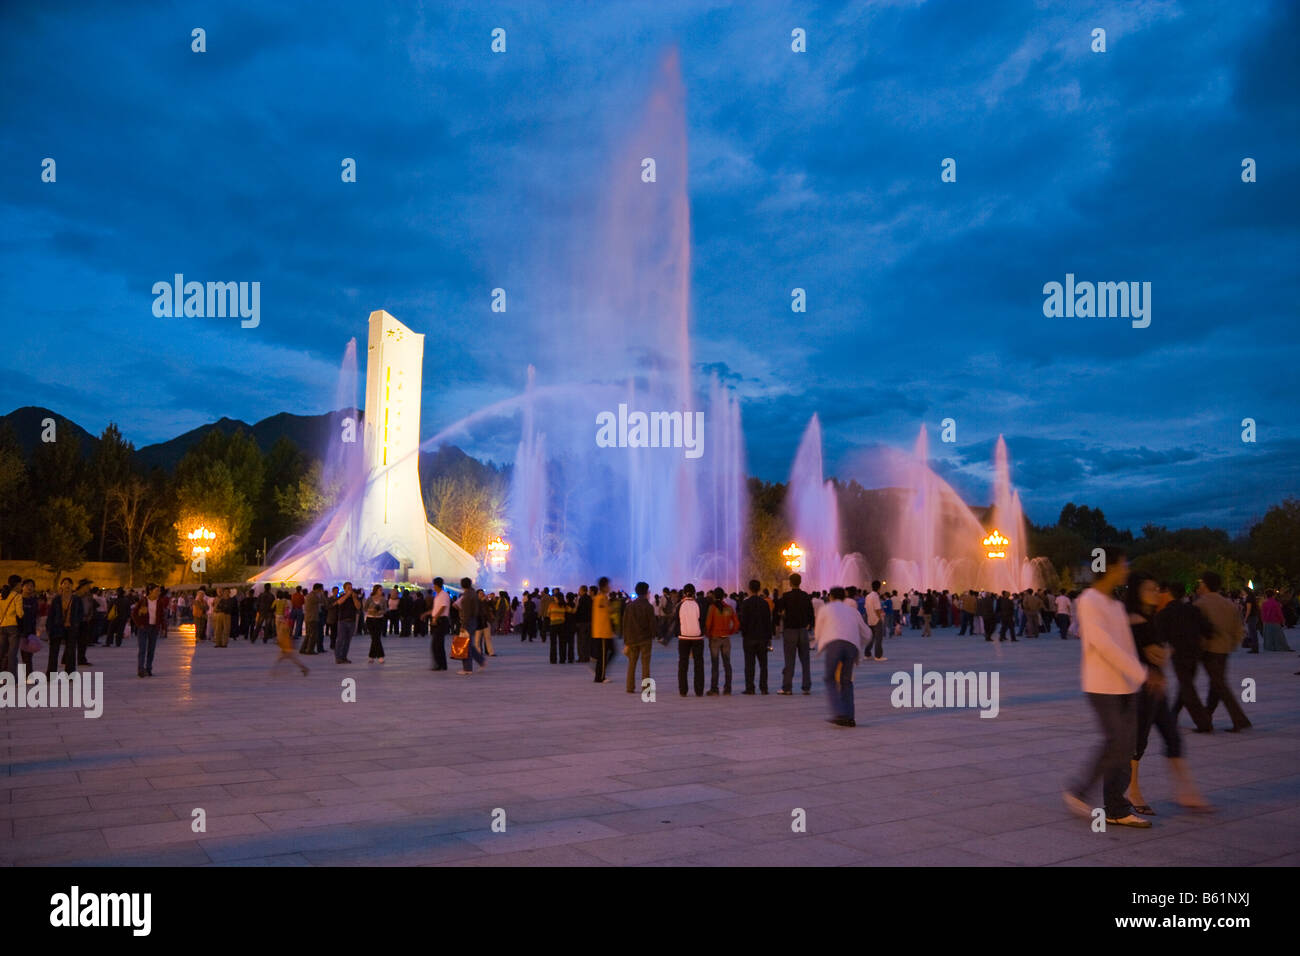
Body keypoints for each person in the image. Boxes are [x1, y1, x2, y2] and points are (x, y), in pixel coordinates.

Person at [1063, 549, 1153, 828]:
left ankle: (1116, 807)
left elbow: (1123, 644)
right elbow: (1102, 643)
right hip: (1101, 685)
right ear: (1110, 568)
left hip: (1125, 685)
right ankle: (1079, 791)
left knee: (1125, 747)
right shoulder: (1088, 601)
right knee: (1116, 742)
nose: (1126, 570)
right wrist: (1142, 673)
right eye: (1123, 565)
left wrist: (1137, 677)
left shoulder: (1114, 605)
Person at [1123, 572, 1211, 815]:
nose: (1155, 593)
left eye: (1156, 589)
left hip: (1157, 688)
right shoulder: (1135, 620)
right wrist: (1165, 651)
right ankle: (1132, 790)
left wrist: (1162, 652)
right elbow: (1156, 654)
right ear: (1137, 593)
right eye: (1149, 589)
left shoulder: (1151, 618)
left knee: (1172, 736)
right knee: (1138, 742)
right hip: (1141, 689)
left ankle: (1186, 791)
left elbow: (1158, 653)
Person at [1195, 571, 1250, 732]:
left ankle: (1239, 719)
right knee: (1216, 684)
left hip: (1209, 650)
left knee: (1220, 685)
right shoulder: (1229, 604)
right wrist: (1232, 644)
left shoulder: (1200, 604)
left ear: (1205, 584)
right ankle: (1207, 717)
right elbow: (1239, 629)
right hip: (1225, 649)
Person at [1157, 582, 1214, 734]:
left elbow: (1160, 636)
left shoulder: (1165, 613)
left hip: (1179, 654)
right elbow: (1208, 630)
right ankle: (1173, 715)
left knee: (1187, 688)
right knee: (1186, 685)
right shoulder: (1193, 609)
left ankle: (1203, 723)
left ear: (1169, 592)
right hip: (1195, 653)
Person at [813, 587, 869, 727]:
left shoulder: (826, 608)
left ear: (830, 596)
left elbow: (818, 630)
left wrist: (818, 644)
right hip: (851, 646)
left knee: (830, 678)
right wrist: (859, 645)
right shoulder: (853, 611)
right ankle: (850, 716)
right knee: (846, 681)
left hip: (834, 644)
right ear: (844, 597)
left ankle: (839, 713)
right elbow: (867, 633)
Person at [776, 573, 814, 695]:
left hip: (790, 630)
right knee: (805, 660)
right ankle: (806, 686)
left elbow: (778, 610)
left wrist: (782, 616)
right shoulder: (806, 596)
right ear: (800, 582)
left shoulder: (786, 596)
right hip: (802, 631)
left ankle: (787, 687)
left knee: (789, 660)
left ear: (790, 583)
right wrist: (809, 625)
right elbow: (811, 614)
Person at [739, 579, 772, 694]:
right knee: (763, 665)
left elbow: (743, 621)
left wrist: (744, 633)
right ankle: (764, 688)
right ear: (759, 589)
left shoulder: (746, 603)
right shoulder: (764, 603)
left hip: (749, 638)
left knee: (749, 664)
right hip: (762, 638)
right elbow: (768, 621)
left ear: (749, 588)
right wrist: (769, 638)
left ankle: (750, 688)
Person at [704, 587, 738, 695]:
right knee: (727, 664)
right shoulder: (729, 608)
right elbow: (737, 624)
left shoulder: (712, 608)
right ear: (723, 596)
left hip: (715, 638)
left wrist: (708, 634)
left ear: (714, 596)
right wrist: (730, 632)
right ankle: (728, 688)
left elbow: (708, 624)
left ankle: (714, 689)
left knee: (715, 664)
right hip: (725, 638)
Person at [623, 581, 655, 694]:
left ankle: (630, 687)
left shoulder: (629, 606)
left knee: (632, 663)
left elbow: (625, 623)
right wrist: (654, 634)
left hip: (632, 639)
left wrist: (626, 640)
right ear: (646, 592)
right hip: (645, 639)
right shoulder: (649, 607)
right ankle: (646, 689)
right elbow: (652, 624)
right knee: (645, 664)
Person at [45, 577, 82, 675]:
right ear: (61, 586)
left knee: (71, 652)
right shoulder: (56, 599)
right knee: (54, 652)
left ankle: (70, 673)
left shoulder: (77, 599)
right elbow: (51, 614)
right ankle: (51, 674)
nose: (67, 585)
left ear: (72, 586)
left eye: (69, 583)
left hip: (71, 627)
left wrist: (77, 623)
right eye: (65, 583)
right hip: (57, 627)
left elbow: (80, 613)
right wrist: (49, 628)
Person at [676, 584, 705, 697]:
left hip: (683, 637)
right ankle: (699, 690)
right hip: (697, 638)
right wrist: (700, 631)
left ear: (684, 593)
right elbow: (702, 620)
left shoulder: (680, 605)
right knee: (699, 664)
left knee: (683, 663)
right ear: (694, 593)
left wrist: (680, 631)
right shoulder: (699, 605)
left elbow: (676, 621)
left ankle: (683, 690)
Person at [131, 584, 166, 678]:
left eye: (159, 591)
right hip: (144, 628)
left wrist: (163, 628)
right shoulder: (143, 601)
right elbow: (134, 613)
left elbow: (162, 616)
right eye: (156, 591)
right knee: (142, 649)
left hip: (154, 628)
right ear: (150, 591)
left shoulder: (159, 602)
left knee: (151, 649)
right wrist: (139, 624)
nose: (158, 593)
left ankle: (149, 668)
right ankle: (141, 669)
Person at [272, 591, 310, 676]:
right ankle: (304, 668)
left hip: (286, 645)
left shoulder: (283, 621)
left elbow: (285, 633)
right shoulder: (286, 606)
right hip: (286, 644)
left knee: (290, 658)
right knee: (289, 658)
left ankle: (304, 668)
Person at [455, 578, 487, 675]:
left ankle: (467, 668)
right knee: (469, 644)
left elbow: (467, 612)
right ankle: (481, 660)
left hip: (468, 622)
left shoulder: (467, 596)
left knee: (466, 645)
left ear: (462, 585)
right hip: (473, 621)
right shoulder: (473, 593)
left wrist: (463, 625)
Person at [423, 577, 451, 670]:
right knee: (437, 644)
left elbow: (443, 607)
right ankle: (441, 665)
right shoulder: (438, 596)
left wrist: (435, 617)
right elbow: (436, 609)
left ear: (436, 585)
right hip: (438, 620)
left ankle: (440, 665)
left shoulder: (443, 595)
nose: (433, 587)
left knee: (437, 644)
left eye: (433, 585)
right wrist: (426, 614)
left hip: (441, 621)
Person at [591, 577, 615, 683]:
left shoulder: (601, 597)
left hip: (605, 631)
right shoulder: (601, 598)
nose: (610, 587)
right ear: (604, 586)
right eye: (608, 585)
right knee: (603, 655)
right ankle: (600, 677)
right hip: (602, 632)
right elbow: (608, 611)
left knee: (611, 652)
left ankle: (599, 671)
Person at [333, 582, 361, 664]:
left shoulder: (354, 597)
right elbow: (339, 602)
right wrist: (347, 595)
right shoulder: (342, 596)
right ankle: (338, 658)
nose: (350, 589)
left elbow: (358, 607)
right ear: (344, 589)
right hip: (342, 621)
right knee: (340, 640)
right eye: (348, 588)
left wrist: (354, 598)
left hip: (352, 621)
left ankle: (344, 657)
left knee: (347, 641)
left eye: (351, 588)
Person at [364, 585, 387, 663]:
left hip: (379, 619)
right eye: (380, 590)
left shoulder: (383, 599)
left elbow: (385, 609)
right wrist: (371, 610)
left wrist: (380, 612)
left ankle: (372, 656)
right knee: (374, 637)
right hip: (370, 619)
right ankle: (380, 656)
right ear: (376, 590)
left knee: (376, 637)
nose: (381, 591)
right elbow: (365, 608)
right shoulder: (370, 599)